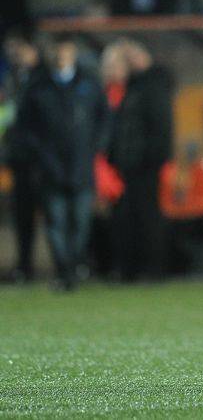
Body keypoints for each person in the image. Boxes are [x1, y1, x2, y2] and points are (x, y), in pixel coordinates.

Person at [15, 35, 106, 290]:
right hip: (49, 168)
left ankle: (74, 265)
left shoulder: (88, 84)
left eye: (64, 51)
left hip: (81, 165)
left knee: (80, 222)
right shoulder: (37, 87)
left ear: (73, 53)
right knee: (55, 221)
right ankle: (65, 270)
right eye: (56, 51)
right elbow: (25, 127)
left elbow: (103, 119)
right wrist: (39, 154)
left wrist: (96, 147)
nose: (60, 56)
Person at [105, 39, 172, 282]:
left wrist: (152, 159)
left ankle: (151, 269)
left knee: (146, 216)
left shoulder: (151, 87)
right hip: (128, 164)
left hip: (144, 165)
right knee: (130, 217)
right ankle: (131, 269)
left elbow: (159, 129)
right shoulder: (136, 87)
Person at [2, 31, 42, 282]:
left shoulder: (45, 79)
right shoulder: (13, 79)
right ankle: (25, 265)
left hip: (45, 159)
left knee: (55, 214)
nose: (14, 54)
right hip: (20, 158)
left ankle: (69, 264)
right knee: (22, 215)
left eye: (18, 48)